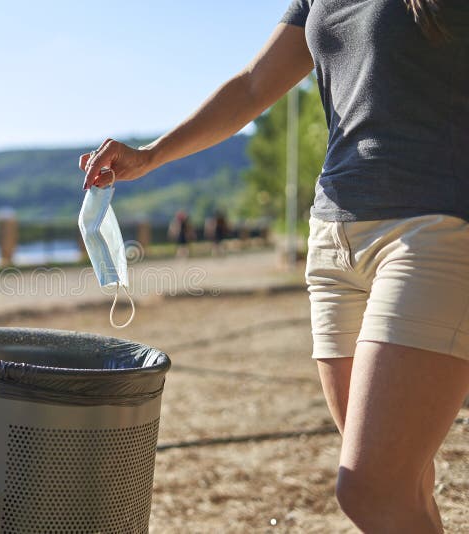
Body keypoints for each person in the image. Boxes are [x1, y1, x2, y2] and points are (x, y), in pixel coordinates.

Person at [79, 2, 469, 532]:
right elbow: (251, 87)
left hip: (433, 231)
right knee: (406, 481)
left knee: (370, 487)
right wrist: (150, 156)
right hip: (334, 242)